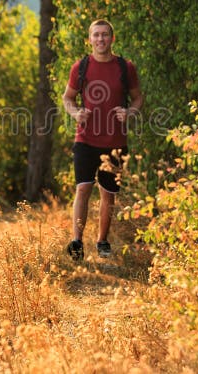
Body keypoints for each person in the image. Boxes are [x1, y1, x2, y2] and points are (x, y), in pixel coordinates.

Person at [61, 19, 143, 261]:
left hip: (115, 141)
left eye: (105, 35)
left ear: (112, 39)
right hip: (85, 139)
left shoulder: (125, 67)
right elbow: (67, 98)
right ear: (90, 39)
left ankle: (102, 241)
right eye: (96, 35)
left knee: (108, 194)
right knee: (83, 188)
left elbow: (138, 98)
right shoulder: (81, 67)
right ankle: (76, 241)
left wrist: (130, 112)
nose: (100, 39)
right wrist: (76, 112)